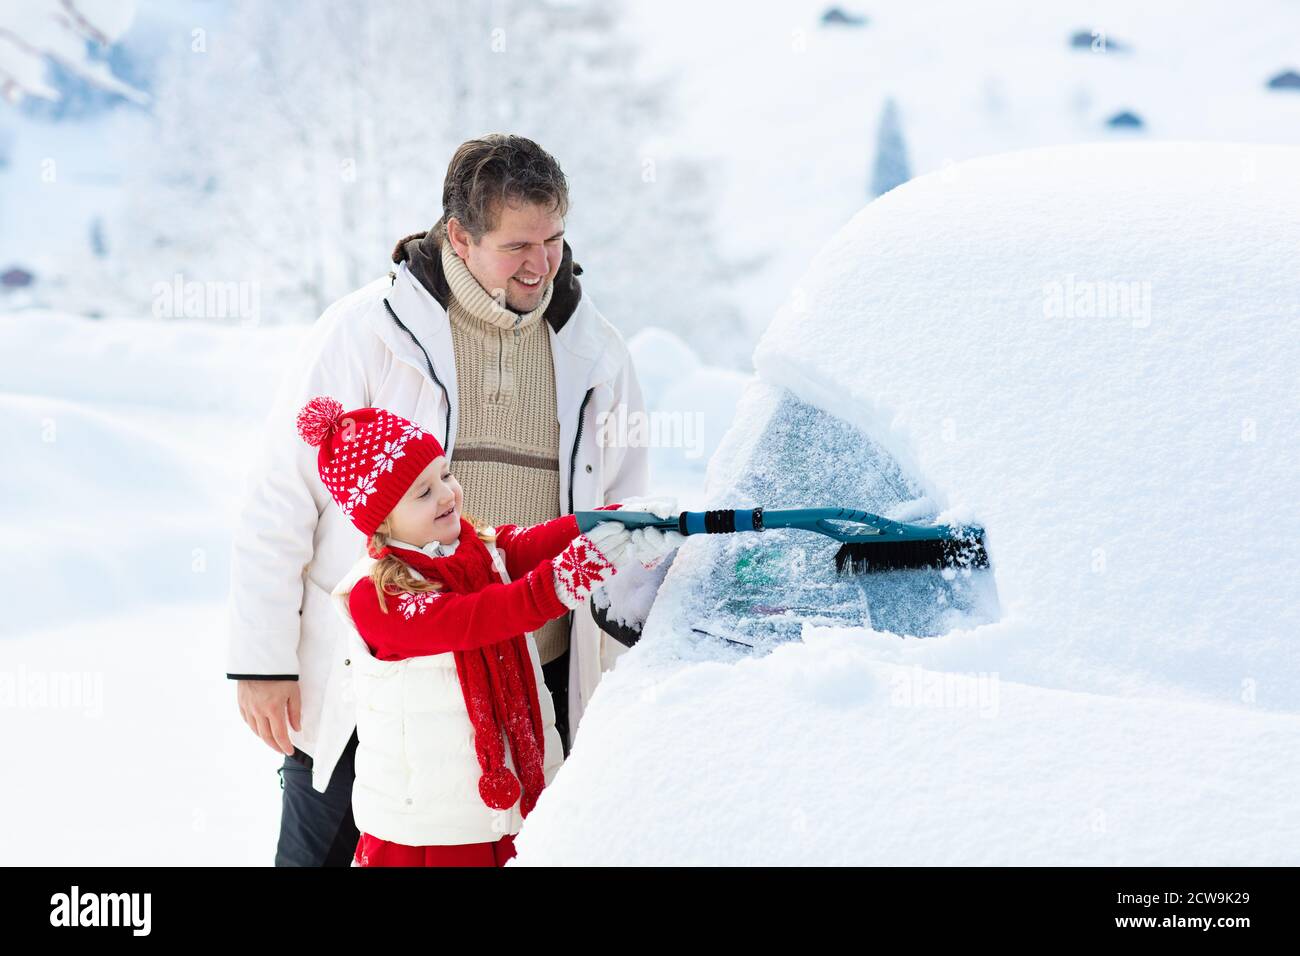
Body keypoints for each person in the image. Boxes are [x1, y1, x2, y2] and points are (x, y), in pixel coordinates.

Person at [226, 134, 653, 866]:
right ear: (458, 235)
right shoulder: (366, 332)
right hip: (380, 678)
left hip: (530, 676)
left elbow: (619, 504)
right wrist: (262, 661)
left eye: (554, 239)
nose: (541, 263)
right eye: (516, 244)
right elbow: (278, 502)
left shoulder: (598, 350)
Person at [292, 395, 681, 866]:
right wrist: (571, 575)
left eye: (445, 475)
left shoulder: (474, 552)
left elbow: (527, 545)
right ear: (381, 521)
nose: (447, 494)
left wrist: (612, 520)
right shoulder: (378, 599)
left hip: (507, 814)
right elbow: (475, 618)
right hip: (430, 836)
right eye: (422, 492)